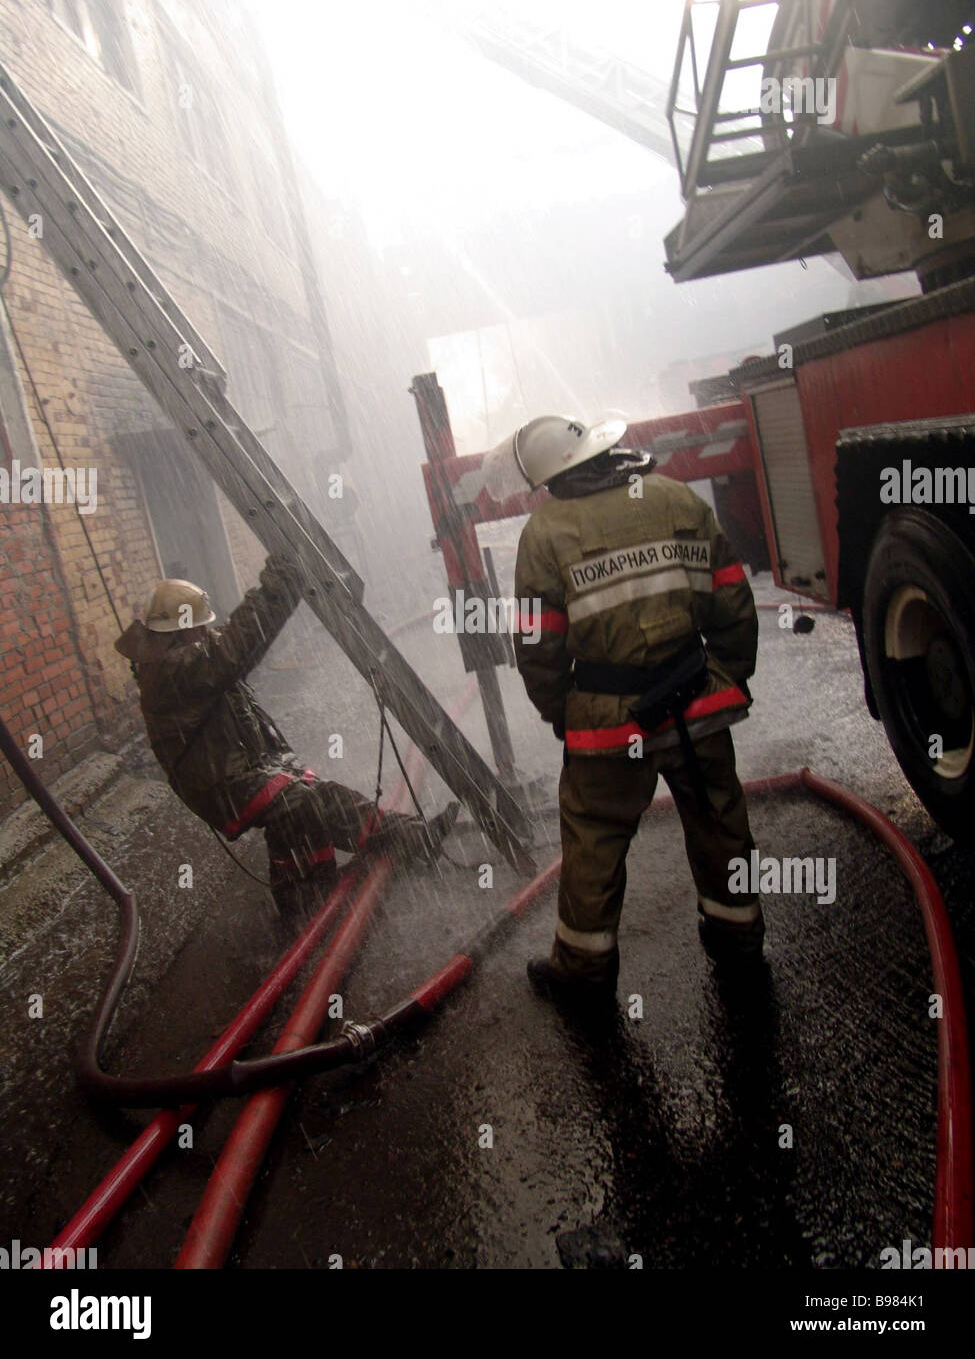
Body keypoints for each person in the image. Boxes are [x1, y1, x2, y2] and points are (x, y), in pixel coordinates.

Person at [486, 415, 760, 1004]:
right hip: (697, 701)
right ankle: (739, 939)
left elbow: (539, 645)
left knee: (593, 834)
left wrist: (561, 711)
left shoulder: (546, 530)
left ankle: (584, 972)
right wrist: (730, 671)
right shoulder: (674, 496)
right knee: (720, 819)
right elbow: (731, 596)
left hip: (609, 724)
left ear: (551, 477)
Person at [114, 553, 457, 925]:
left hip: (242, 769)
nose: (207, 632)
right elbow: (233, 650)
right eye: (200, 628)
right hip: (220, 786)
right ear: (179, 632)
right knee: (297, 805)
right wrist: (280, 581)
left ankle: (412, 838)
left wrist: (281, 760)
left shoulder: (183, 658)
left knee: (322, 795)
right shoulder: (170, 671)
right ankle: (304, 906)